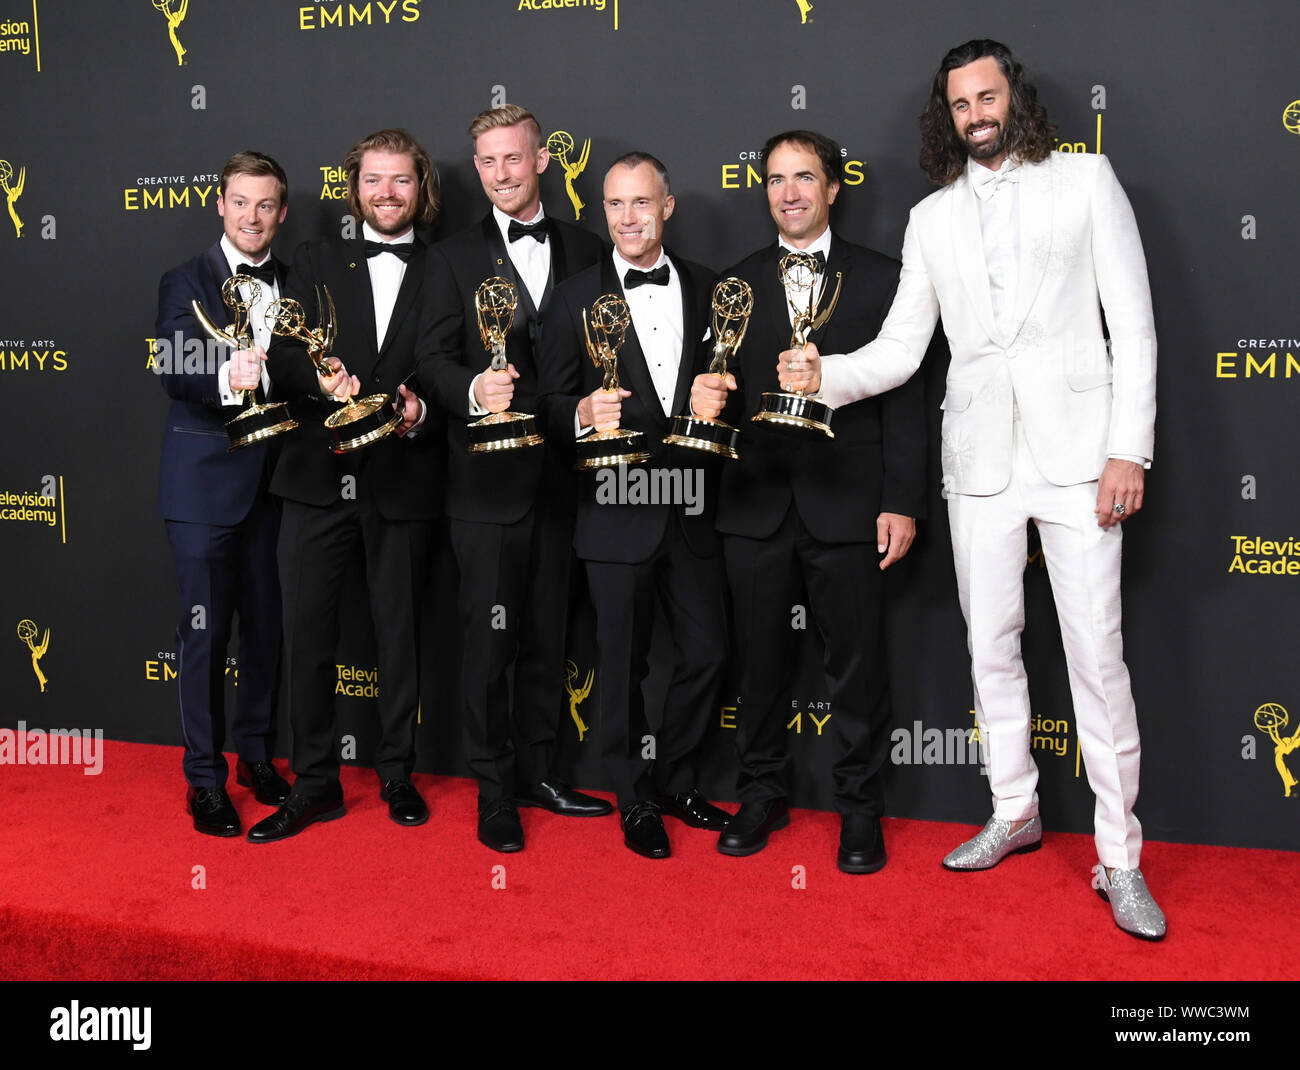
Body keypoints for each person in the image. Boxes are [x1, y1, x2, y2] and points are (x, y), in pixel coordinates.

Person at [787, 40, 1163, 938]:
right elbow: (903, 350)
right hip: (980, 463)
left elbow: (1135, 327)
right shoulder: (931, 220)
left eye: (987, 97)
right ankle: (1015, 808)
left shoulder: (1087, 180)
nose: (976, 115)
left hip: (1079, 458)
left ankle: (1121, 859)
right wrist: (823, 375)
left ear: (1014, 99)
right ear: (946, 117)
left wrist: (1130, 452)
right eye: (960, 105)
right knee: (990, 643)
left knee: (1094, 657)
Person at [690, 131, 926, 873]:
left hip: (850, 503)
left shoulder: (887, 279)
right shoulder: (734, 285)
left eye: (804, 178)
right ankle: (761, 793)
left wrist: (902, 499)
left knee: (855, 668)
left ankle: (860, 810)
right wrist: (705, 405)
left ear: (833, 187)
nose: (789, 192)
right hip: (755, 503)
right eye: (776, 179)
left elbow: (908, 399)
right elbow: (718, 394)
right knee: (759, 666)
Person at [416, 105, 610, 854]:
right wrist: (471, 390)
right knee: (488, 645)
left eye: (514, 160)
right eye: (488, 163)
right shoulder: (450, 257)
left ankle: (539, 773)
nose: (501, 175)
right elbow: (430, 361)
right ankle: (492, 791)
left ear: (543, 161)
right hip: (485, 489)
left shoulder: (590, 248)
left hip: (563, 482)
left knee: (548, 641)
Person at [249, 129, 442, 843]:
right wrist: (321, 381)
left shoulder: (445, 266)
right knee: (308, 636)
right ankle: (316, 782)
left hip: (402, 478)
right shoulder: (314, 259)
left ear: (421, 188)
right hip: (315, 476)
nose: (386, 193)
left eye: (400, 181)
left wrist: (420, 407)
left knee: (401, 637)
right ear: (352, 187)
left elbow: (448, 362)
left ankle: (397, 772)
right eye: (373, 180)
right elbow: (283, 360)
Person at [536, 153, 731, 859]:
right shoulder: (570, 298)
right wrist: (583, 409)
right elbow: (546, 405)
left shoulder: (712, 290)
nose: (628, 218)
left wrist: (722, 397)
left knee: (707, 653)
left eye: (641, 203)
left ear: (667, 207)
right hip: (616, 508)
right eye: (615, 205)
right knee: (619, 668)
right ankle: (635, 798)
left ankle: (676, 779)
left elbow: (727, 384)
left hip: (693, 504)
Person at [154, 150, 293, 836]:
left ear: (283, 212)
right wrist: (226, 377)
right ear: (219, 204)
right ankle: (205, 780)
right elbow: (174, 364)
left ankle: (257, 757)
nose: (252, 216)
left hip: (277, 489)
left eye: (266, 204)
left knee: (266, 631)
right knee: (206, 638)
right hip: (204, 491)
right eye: (241, 202)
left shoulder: (295, 284)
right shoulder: (185, 280)